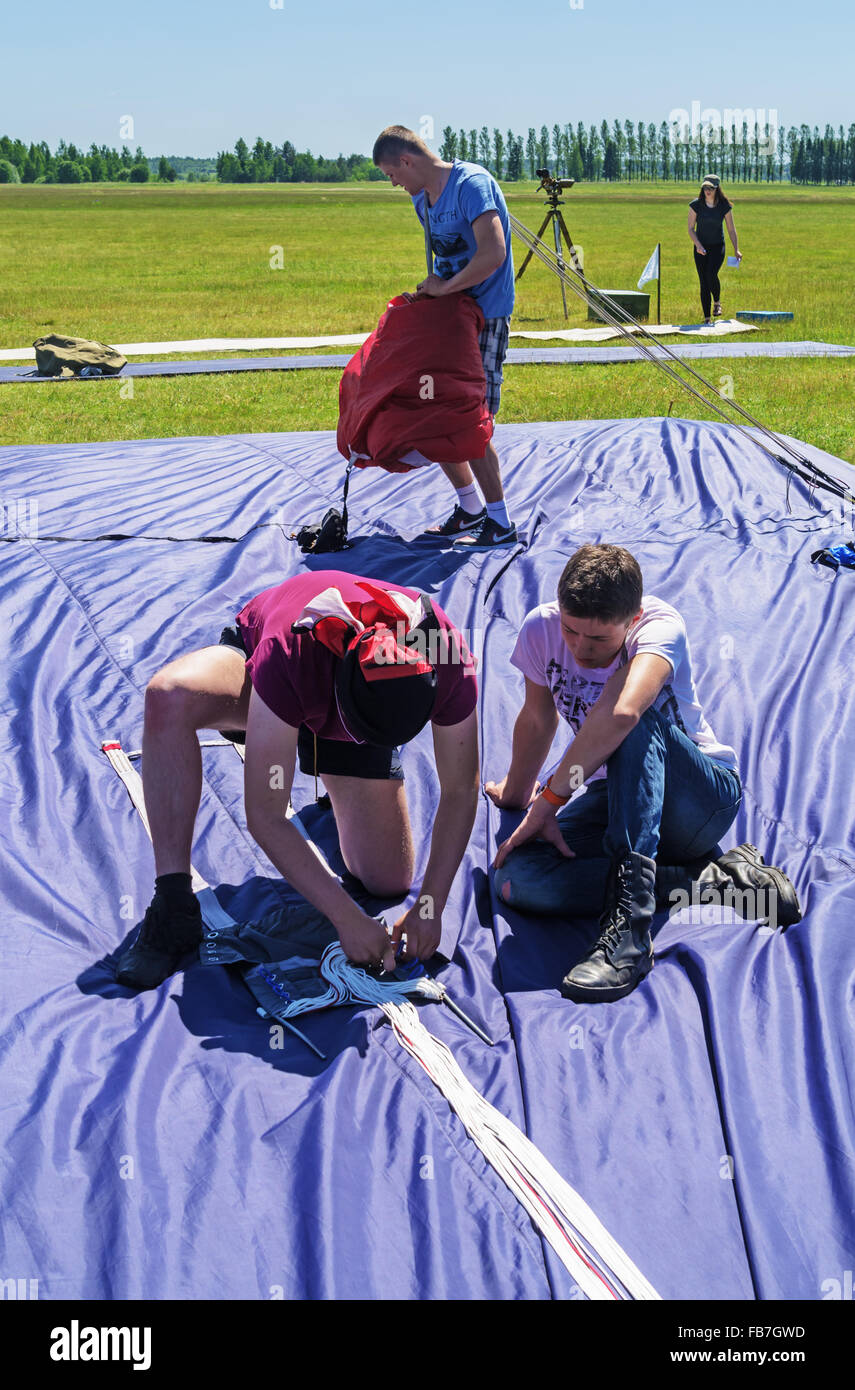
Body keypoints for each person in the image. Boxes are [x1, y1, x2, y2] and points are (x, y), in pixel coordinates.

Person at [114, 571, 480, 990]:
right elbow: (265, 814)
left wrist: (430, 904)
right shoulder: (288, 651)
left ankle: (338, 778)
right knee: (169, 696)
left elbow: (461, 788)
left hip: (356, 708)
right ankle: (172, 899)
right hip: (277, 679)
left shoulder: (445, 649)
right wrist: (345, 918)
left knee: (388, 879)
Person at [488, 544, 800, 1004]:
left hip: (698, 801)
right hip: (618, 797)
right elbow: (537, 720)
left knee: (632, 719)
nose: (579, 649)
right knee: (518, 879)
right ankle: (717, 881)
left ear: (631, 619)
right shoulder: (541, 629)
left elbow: (623, 714)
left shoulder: (659, 626)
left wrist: (551, 800)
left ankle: (631, 936)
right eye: (572, 632)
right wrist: (519, 800)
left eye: (598, 640)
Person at [372, 125, 517, 549]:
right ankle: (470, 508)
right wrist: (430, 294)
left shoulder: (472, 185)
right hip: (448, 318)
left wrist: (443, 289)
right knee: (435, 412)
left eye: (390, 173)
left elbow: (493, 254)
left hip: (484, 317)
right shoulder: (423, 199)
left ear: (406, 160)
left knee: (470, 420)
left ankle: (500, 522)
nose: (393, 183)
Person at [688, 174, 741, 325]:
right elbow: (691, 229)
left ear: (717, 188)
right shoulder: (696, 205)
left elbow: (731, 230)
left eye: (710, 188)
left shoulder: (724, 206)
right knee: (703, 282)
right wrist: (698, 245)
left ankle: (717, 302)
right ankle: (706, 318)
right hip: (700, 247)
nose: (707, 190)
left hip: (718, 246)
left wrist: (736, 249)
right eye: (705, 187)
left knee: (711, 273)